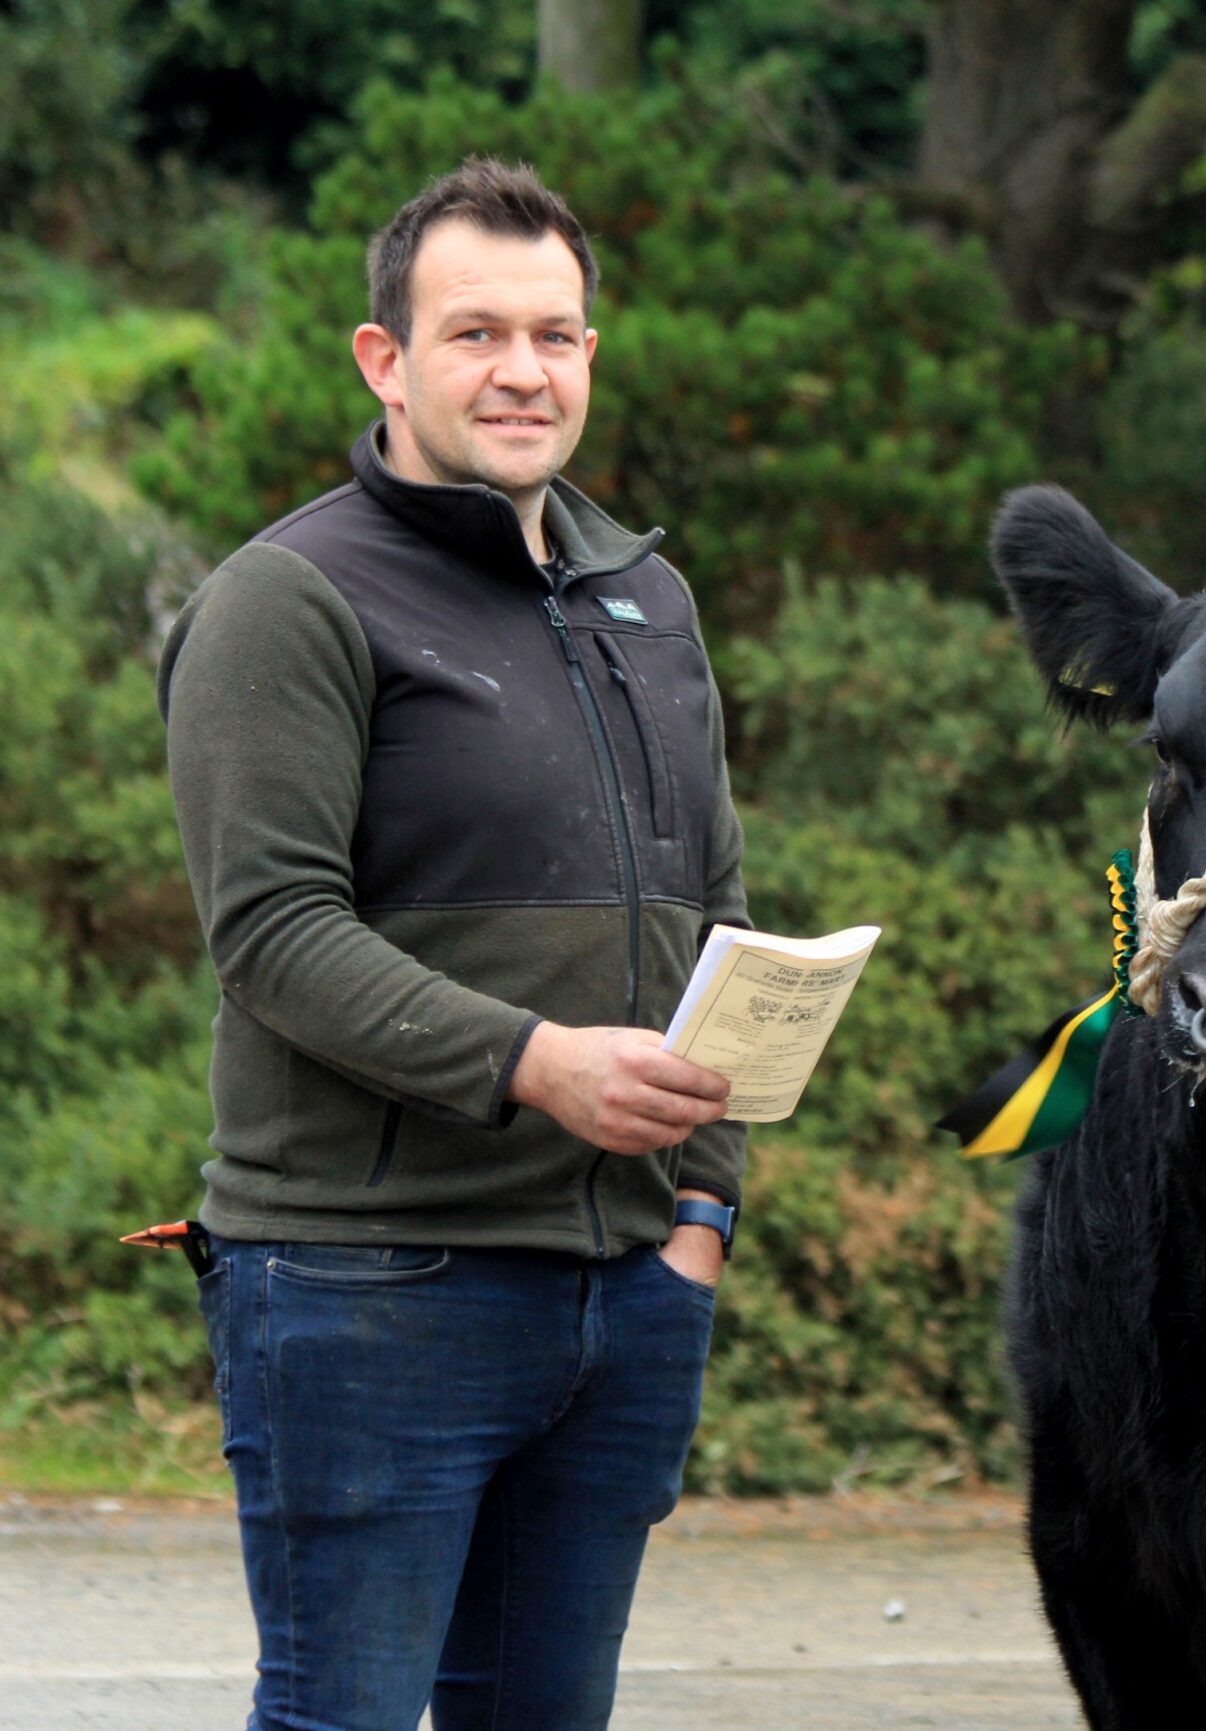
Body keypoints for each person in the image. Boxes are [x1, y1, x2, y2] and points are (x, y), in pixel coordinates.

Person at [158, 157, 750, 1731]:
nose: (520, 371)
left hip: (625, 1288)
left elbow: (722, 921)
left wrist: (703, 1218)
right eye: (475, 333)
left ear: (590, 358)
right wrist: (536, 1064)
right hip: (370, 1290)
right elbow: (275, 935)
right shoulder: (287, 601)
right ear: (386, 359)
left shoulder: (653, 603)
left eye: (553, 335)